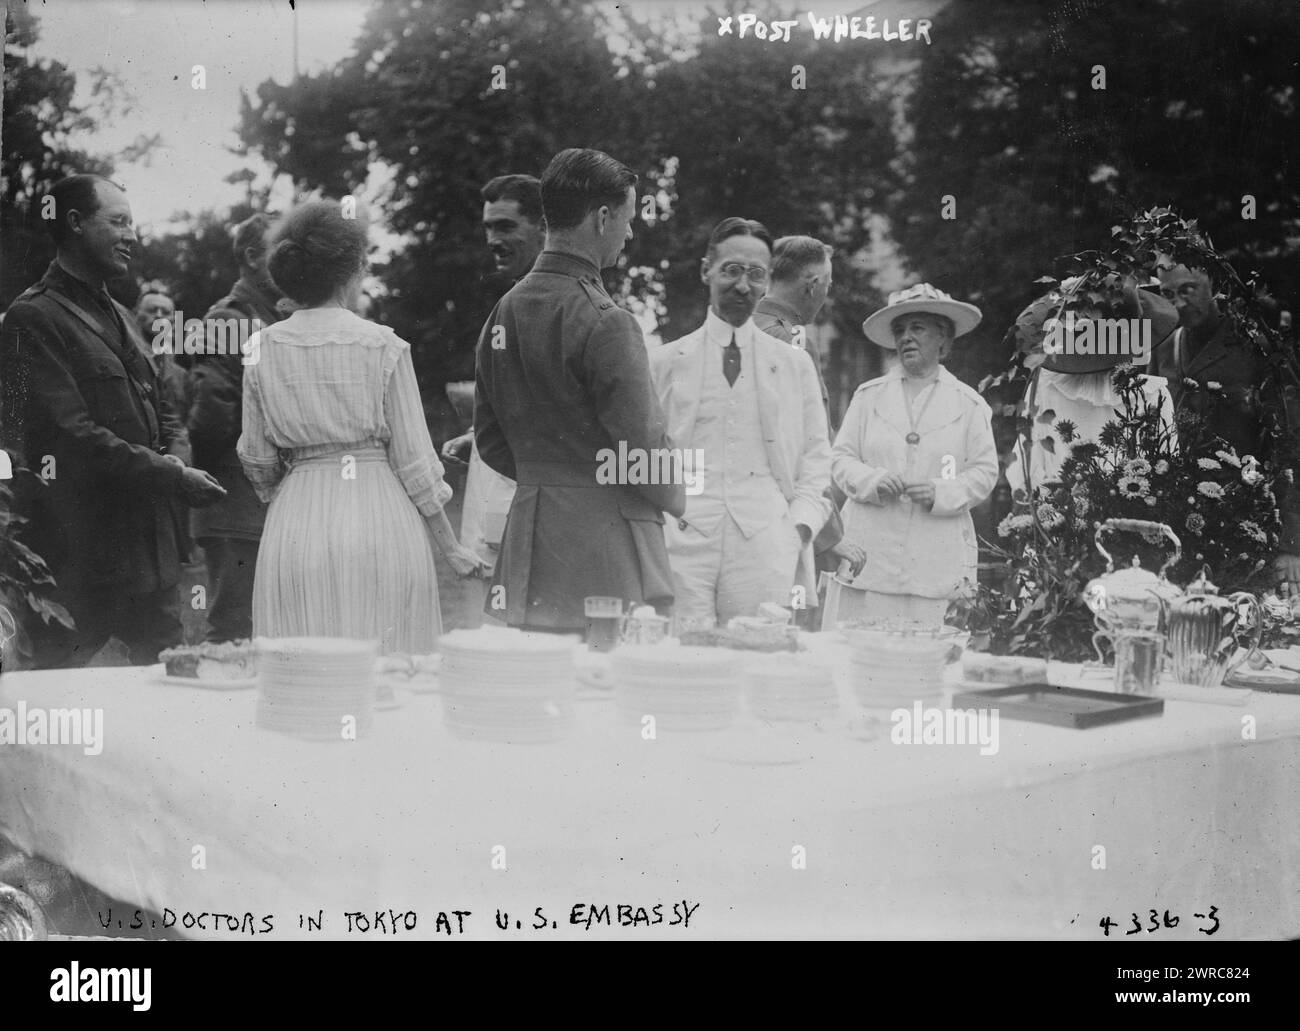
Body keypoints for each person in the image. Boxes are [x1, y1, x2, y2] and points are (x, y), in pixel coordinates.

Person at [237, 200, 485, 654]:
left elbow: (256, 459)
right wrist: (450, 549)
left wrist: (296, 489)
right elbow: (414, 460)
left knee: (300, 664)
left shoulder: (260, 348)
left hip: (295, 522)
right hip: (379, 515)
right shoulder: (382, 345)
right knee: (385, 662)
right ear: (354, 271)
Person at [0, 174, 226, 667]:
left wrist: (177, 459)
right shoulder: (33, 317)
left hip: (151, 559)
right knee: (54, 695)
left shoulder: (124, 315)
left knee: (172, 687)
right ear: (76, 224)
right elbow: (70, 435)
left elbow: (166, 409)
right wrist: (171, 473)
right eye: (119, 222)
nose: (133, 236)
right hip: (79, 559)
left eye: (133, 223)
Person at [474, 147, 685, 632]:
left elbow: (489, 439)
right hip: (602, 550)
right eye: (628, 219)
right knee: (604, 693)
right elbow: (643, 453)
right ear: (603, 216)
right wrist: (681, 497)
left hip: (528, 546)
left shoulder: (502, 312)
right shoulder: (609, 322)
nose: (630, 232)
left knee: (539, 691)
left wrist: (547, 477)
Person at [649, 218, 831, 626]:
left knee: (755, 661)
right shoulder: (665, 361)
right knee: (683, 665)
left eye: (756, 274)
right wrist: (662, 521)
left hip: (765, 542)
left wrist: (799, 526)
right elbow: (641, 452)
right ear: (706, 271)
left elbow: (818, 458)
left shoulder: (792, 364)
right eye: (731, 270)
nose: (743, 285)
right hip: (682, 541)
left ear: (767, 281)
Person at [829, 283, 998, 627]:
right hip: (870, 553)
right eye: (900, 330)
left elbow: (984, 473)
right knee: (860, 655)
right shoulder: (868, 396)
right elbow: (840, 459)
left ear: (944, 340)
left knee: (928, 658)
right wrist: (873, 481)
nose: (906, 337)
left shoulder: (968, 404)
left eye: (917, 328)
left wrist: (941, 491)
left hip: (933, 558)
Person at [1151, 261, 1300, 590]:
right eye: (1167, 293)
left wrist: (1292, 544)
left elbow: (1291, 444)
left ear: (1215, 283)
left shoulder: (1257, 348)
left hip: (1249, 529)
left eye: (1187, 290)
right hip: (1180, 529)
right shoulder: (1164, 350)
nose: (1177, 303)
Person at [441, 175, 545, 624]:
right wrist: (475, 434)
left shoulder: (547, 305)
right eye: (488, 228)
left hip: (521, 508)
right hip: (491, 499)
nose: (493, 240)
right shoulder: (512, 302)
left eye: (505, 227)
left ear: (543, 225)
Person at [188, 214, 286, 642]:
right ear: (251, 256)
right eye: (279, 251)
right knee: (233, 631)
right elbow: (210, 420)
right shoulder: (230, 320)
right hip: (234, 506)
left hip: (256, 505)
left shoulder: (267, 316)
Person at [751, 235, 864, 602]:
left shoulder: (739, 329)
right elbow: (807, 448)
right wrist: (830, 536)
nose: (826, 295)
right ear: (813, 285)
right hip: (784, 522)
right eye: (827, 285)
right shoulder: (792, 342)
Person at [1007, 276, 1179, 496]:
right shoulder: (1046, 391)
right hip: (1068, 519)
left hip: (1112, 516)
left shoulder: (1152, 395)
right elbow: (1025, 476)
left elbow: (1023, 478)